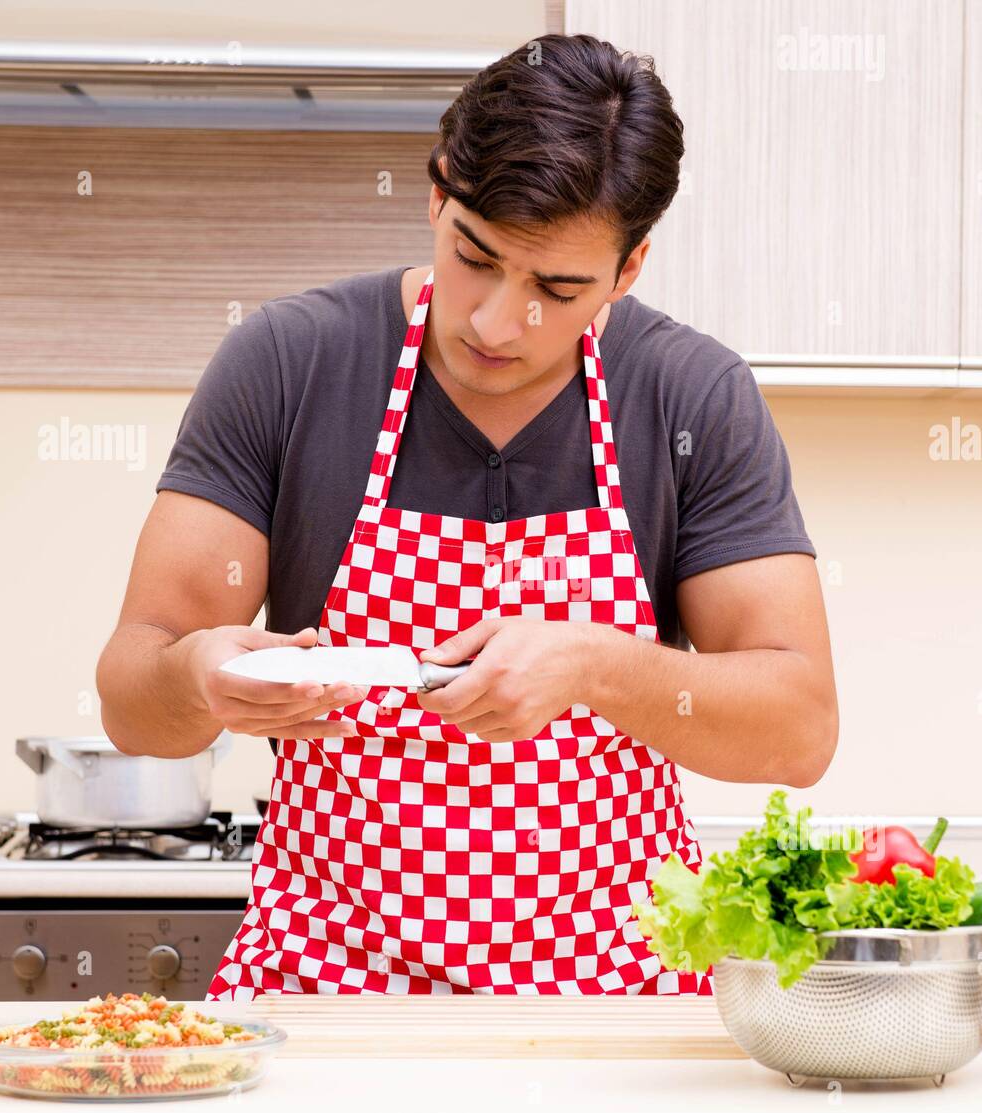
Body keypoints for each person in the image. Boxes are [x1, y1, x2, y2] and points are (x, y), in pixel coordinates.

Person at [96, 34, 838, 998]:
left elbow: (802, 729)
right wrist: (199, 678)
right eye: (475, 257)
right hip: (328, 993)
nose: (496, 321)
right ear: (437, 193)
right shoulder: (291, 364)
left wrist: (596, 666)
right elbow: (129, 692)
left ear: (631, 266)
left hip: (617, 1009)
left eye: (556, 289)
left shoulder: (690, 395)